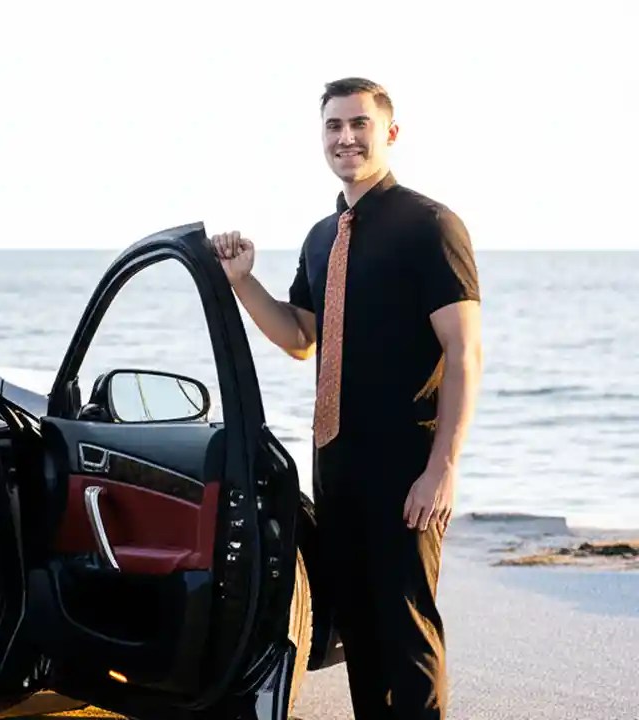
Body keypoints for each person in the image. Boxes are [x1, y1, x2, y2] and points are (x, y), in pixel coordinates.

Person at [210, 77, 482, 719]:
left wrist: (442, 469)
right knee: (358, 633)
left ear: (391, 133)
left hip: (407, 466)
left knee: (407, 633)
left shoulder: (431, 225)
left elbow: (464, 352)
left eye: (360, 124)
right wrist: (243, 284)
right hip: (335, 467)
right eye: (334, 125)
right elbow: (299, 337)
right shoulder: (320, 237)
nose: (346, 138)